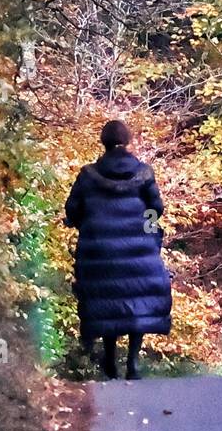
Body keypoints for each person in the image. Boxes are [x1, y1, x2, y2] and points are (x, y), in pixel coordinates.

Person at [64, 120, 172, 379]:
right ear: (128, 140)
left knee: (107, 302)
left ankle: (111, 360)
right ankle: (133, 360)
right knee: (139, 299)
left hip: (99, 251)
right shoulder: (144, 173)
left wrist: (89, 226)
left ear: (102, 142)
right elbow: (156, 208)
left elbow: (72, 209)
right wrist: (146, 231)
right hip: (139, 250)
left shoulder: (88, 175)